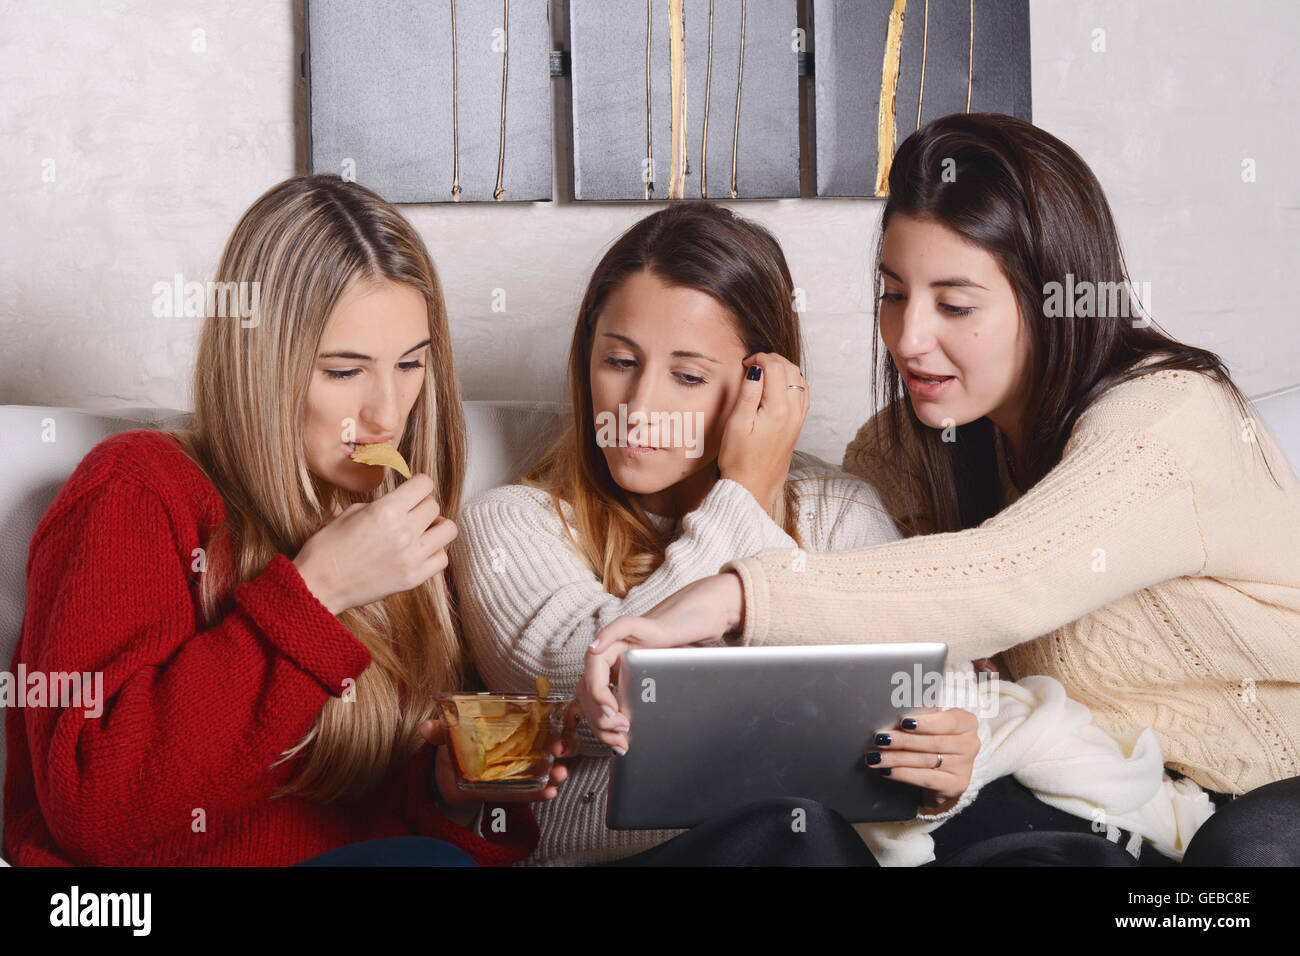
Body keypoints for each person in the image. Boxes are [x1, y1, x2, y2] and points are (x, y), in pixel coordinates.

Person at [581, 114, 1300, 865]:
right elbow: (848, 642)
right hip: (1097, 807)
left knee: (1243, 854)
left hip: (1264, 798)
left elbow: (1010, 575)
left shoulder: (1168, 417)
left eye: (954, 306)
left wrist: (732, 596)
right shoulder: (904, 449)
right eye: (893, 294)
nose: (909, 337)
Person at [2, 174, 576, 866]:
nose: (389, 414)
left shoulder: (402, 538)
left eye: (411, 365)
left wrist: (450, 795)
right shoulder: (138, 488)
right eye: (344, 372)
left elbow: (370, 821)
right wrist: (312, 596)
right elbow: (95, 812)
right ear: (261, 364)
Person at [452, 200, 1001, 866]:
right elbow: (582, 683)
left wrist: (946, 765)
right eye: (620, 361)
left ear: (760, 385)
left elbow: (941, 682)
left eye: (687, 376)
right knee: (789, 831)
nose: (639, 408)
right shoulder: (509, 521)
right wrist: (741, 497)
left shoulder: (836, 510)